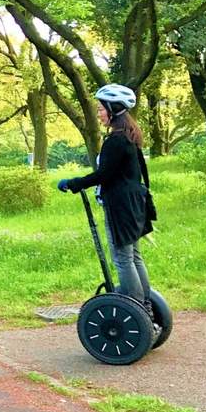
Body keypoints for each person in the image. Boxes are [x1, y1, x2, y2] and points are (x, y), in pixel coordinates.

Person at [57, 84, 154, 312]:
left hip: (121, 206)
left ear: (113, 109)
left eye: (101, 109)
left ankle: (136, 307)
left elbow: (103, 175)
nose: (99, 113)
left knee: (123, 259)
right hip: (134, 204)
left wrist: (72, 183)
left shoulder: (116, 140)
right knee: (134, 256)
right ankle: (145, 305)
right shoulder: (130, 135)